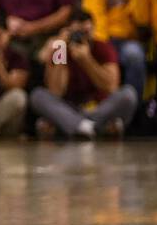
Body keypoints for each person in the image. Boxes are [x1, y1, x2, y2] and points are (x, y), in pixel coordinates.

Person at [30, 8, 138, 139]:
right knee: (38, 95)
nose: (81, 37)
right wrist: (61, 50)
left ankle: (79, 126)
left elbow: (111, 86)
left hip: (98, 108)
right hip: (69, 108)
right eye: (77, 33)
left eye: (85, 32)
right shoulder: (60, 49)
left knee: (128, 94)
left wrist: (86, 61)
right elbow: (56, 91)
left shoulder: (103, 47)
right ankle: (92, 127)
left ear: (93, 30)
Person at [81, 0, 155, 97]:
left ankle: (133, 109)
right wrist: (102, 44)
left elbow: (144, 22)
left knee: (134, 54)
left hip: (130, 40)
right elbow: (93, 16)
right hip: (102, 38)